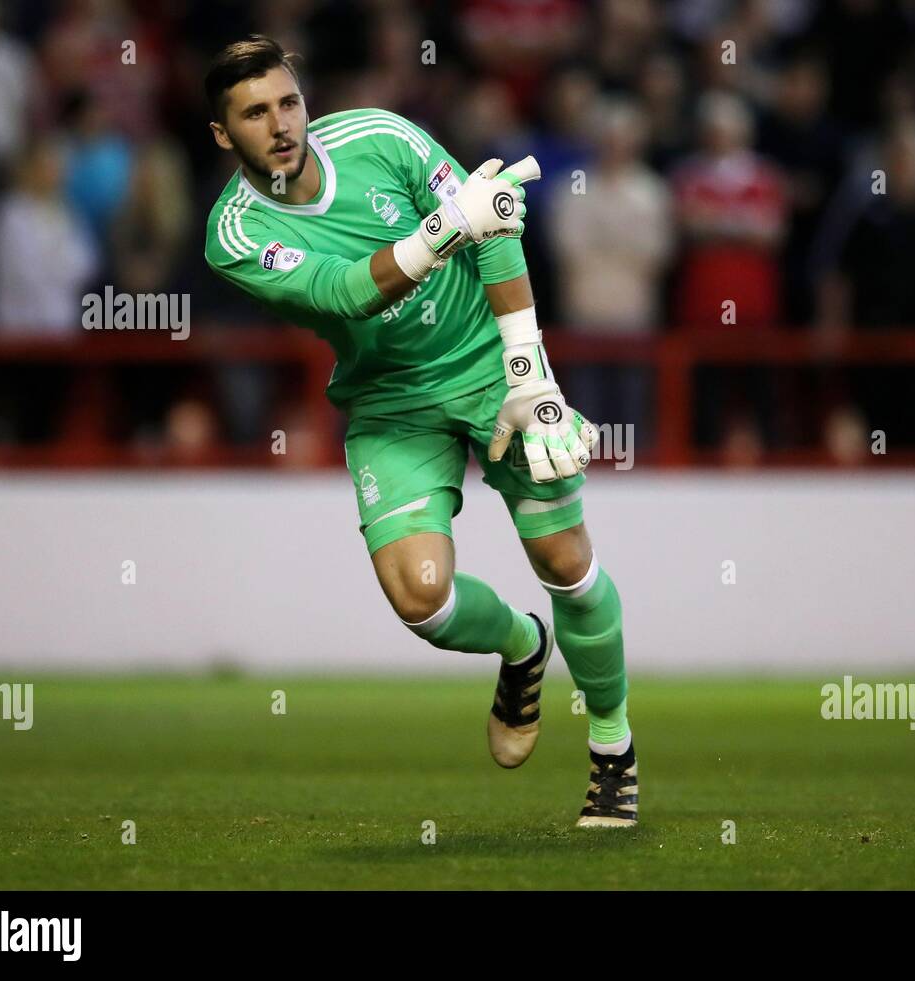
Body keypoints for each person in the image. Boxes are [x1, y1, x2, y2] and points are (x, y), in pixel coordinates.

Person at [202, 36, 637, 828]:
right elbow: (342, 292)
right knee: (421, 597)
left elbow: (493, 218)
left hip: (488, 362)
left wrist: (527, 371)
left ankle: (612, 747)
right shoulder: (233, 234)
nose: (282, 124)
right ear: (223, 134)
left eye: (289, 102)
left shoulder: (381, 136)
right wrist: (440, 230)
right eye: (255, 113)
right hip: (391, 398)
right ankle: (521, 645)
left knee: (567, 563)